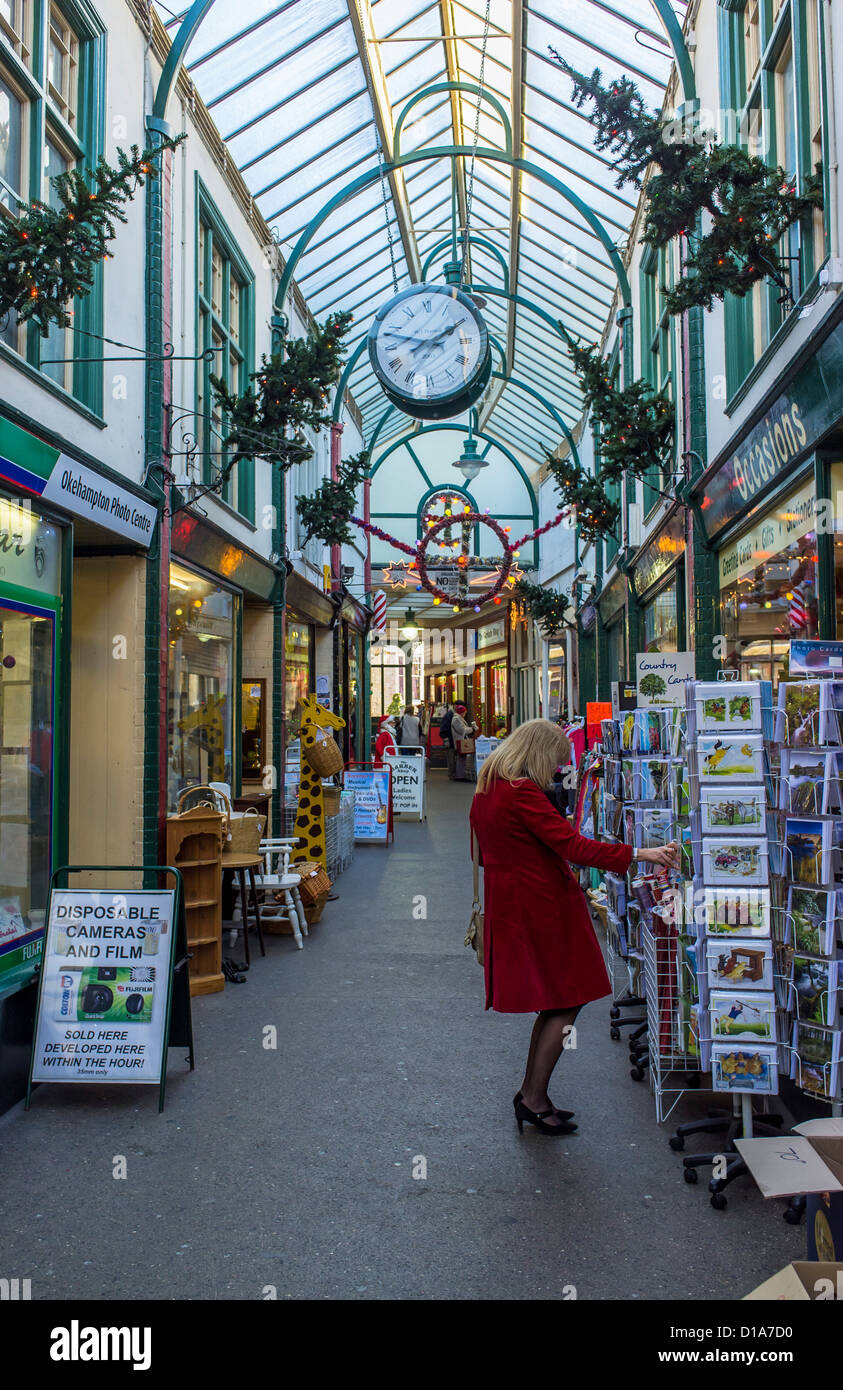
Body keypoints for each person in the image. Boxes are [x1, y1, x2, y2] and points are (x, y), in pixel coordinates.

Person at [469, 718, 679, 1136]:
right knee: (567, 999)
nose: (557, 773)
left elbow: (482, 855)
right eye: (556, 763)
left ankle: (533, 1095)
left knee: (555, 1001)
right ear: (541, 754)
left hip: (513, 905)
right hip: (542, 908)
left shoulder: (487, 788)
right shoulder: (521, 792)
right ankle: (532, 1097)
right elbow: (571, 845)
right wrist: (642, 852)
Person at [451, 703, 478, 782]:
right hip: (460, 741)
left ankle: (461, 775)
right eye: (464, 712)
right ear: (462, 712)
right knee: (460, 758)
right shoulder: (456, 719)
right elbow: (462, 730)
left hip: (460, 740)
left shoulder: (457, 718)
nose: (465, 714)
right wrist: (472, 729)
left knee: (461, 758)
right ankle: (460, 776)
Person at [439, 703, 456, 780]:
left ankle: (452, 774)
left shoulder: (450, 714)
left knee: (451, 757)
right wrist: (446, 739)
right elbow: (443, 729)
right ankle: (452, 774)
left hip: (450, 739)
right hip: (450, 739)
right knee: (451, 757)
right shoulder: (450, 715)